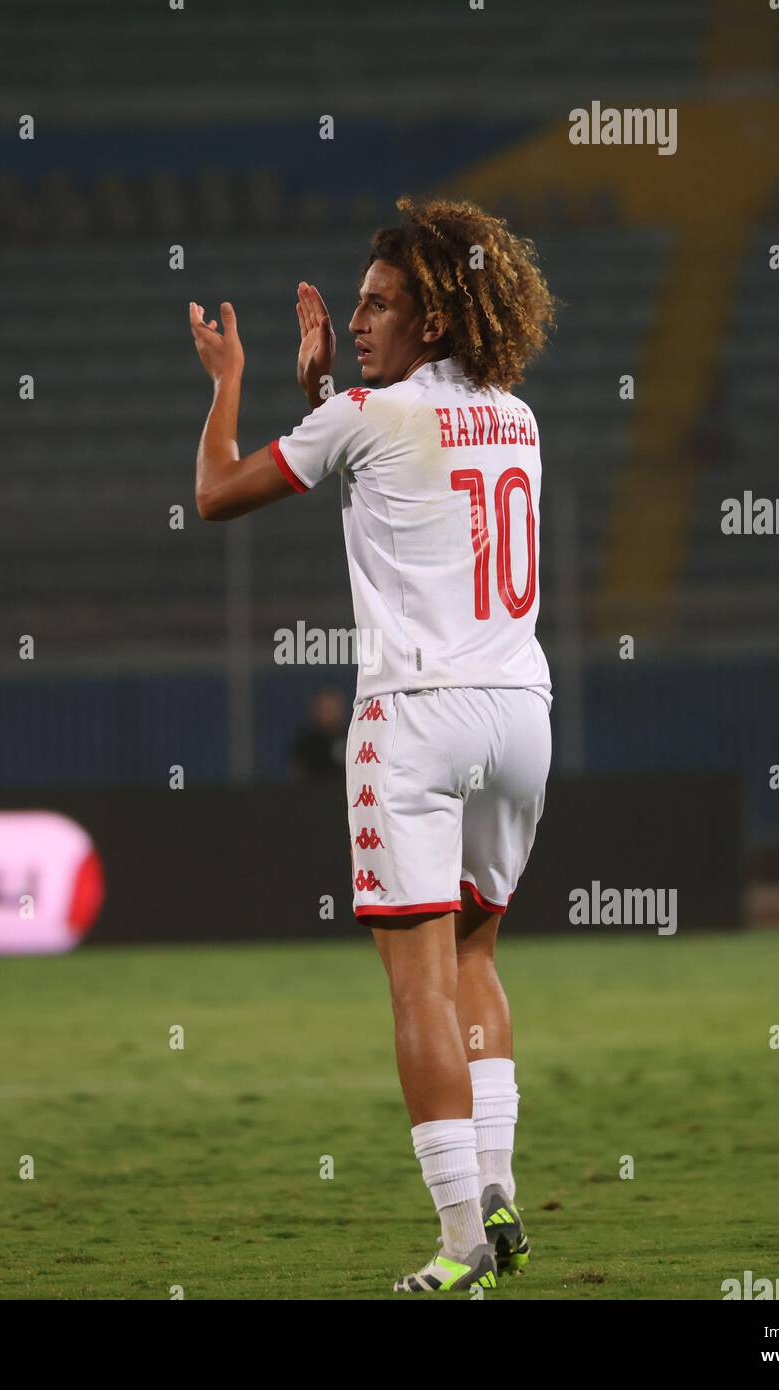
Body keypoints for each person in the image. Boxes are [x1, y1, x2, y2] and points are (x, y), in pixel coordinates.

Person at [189, 197, 556, 1294]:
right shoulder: (518, 415)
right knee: (476, 955)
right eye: (356, 301)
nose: (356, 319)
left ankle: (458, 1244)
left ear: (434, 317)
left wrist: (230, 385)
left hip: (413, 721)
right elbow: (392, 460)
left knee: (417, 988)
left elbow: (216, 494)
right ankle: (497, 1189)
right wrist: (325, 392)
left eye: (380, 303)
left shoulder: (362, 413)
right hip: (520, 713)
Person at [288, 685, 349, 781]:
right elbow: (297, 774)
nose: (329, 712)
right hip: (313, 794)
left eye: (332, 708)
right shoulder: (307, 742)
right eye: (325, 708)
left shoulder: (351, 738)